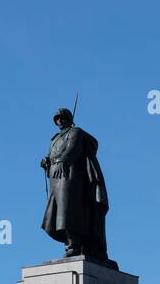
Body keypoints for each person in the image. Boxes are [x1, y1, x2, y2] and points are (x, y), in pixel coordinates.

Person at [40, 108, 114, 266]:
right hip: (55, 178)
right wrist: (46, 161)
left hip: (70, 176)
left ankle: (74, 244)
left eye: (62, 117)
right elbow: (51, 155)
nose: (59, 120)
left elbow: (73, 149)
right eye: (57, 118)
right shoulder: (54, 139)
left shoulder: (75, 132)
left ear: (68, 118)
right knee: (59, 211)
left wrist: (63, 161)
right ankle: (71, 243)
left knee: (68, 211)